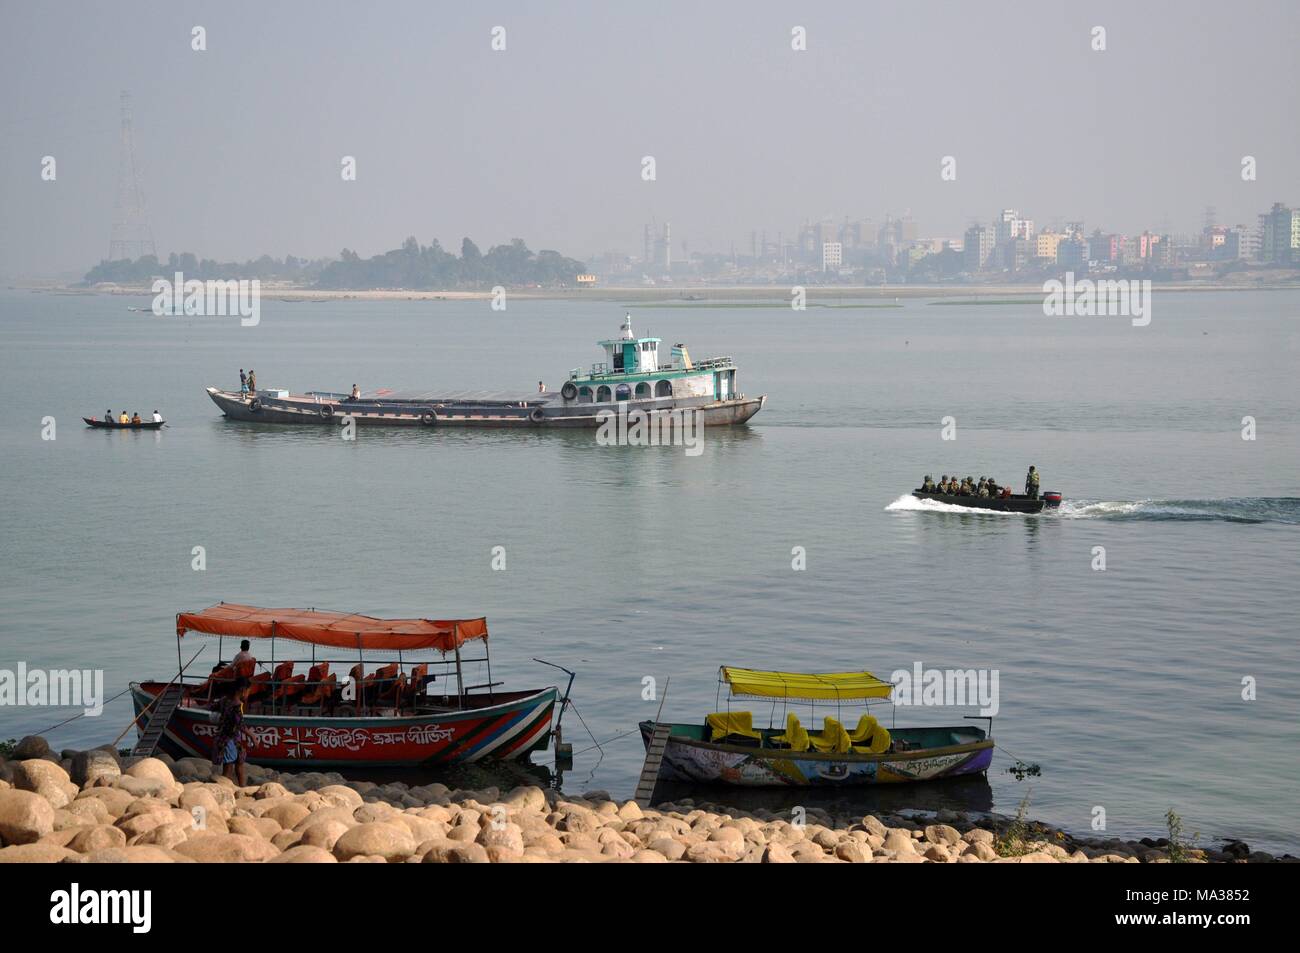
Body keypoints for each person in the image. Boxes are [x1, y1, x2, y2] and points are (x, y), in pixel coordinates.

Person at [211, 677, 253, 787]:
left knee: (239, 761)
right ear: (243, 690)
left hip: (232, 738)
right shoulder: (237, 706)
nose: (248, 694)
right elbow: (241, 725)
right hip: (227, 739)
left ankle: (242, 787)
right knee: (228, 768)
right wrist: (253, 736)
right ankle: (224, 788)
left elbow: (213, 706)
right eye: (248, 691)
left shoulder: (225, 700)